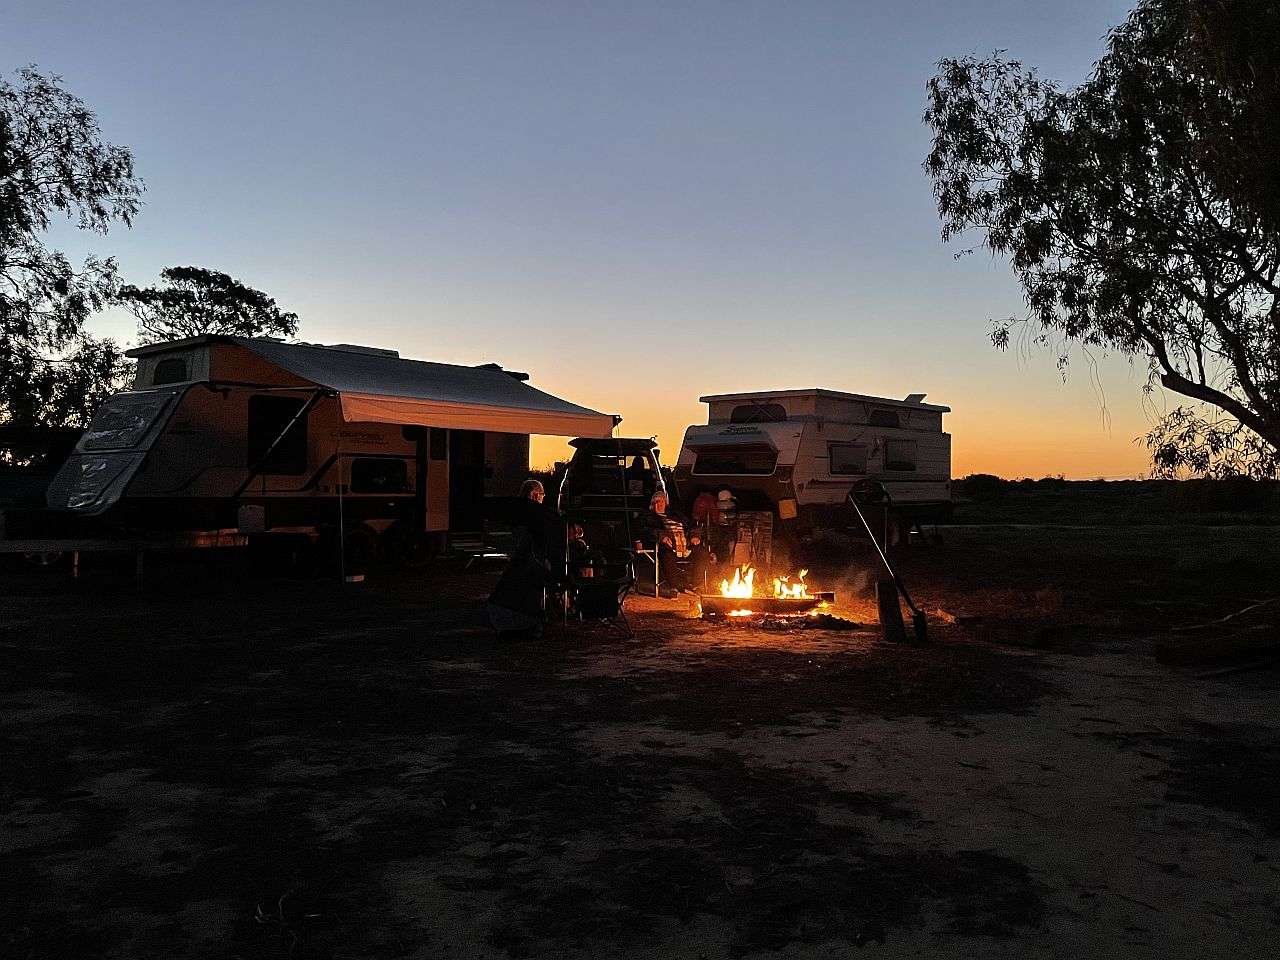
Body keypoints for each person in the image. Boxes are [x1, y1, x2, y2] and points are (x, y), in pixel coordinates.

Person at [486, 478, 557, 640]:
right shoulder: (534, 513)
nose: (543, 499)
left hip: (499, 605)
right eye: (542, 495)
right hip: (524, 580)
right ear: (534, 495)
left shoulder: (515, 510)